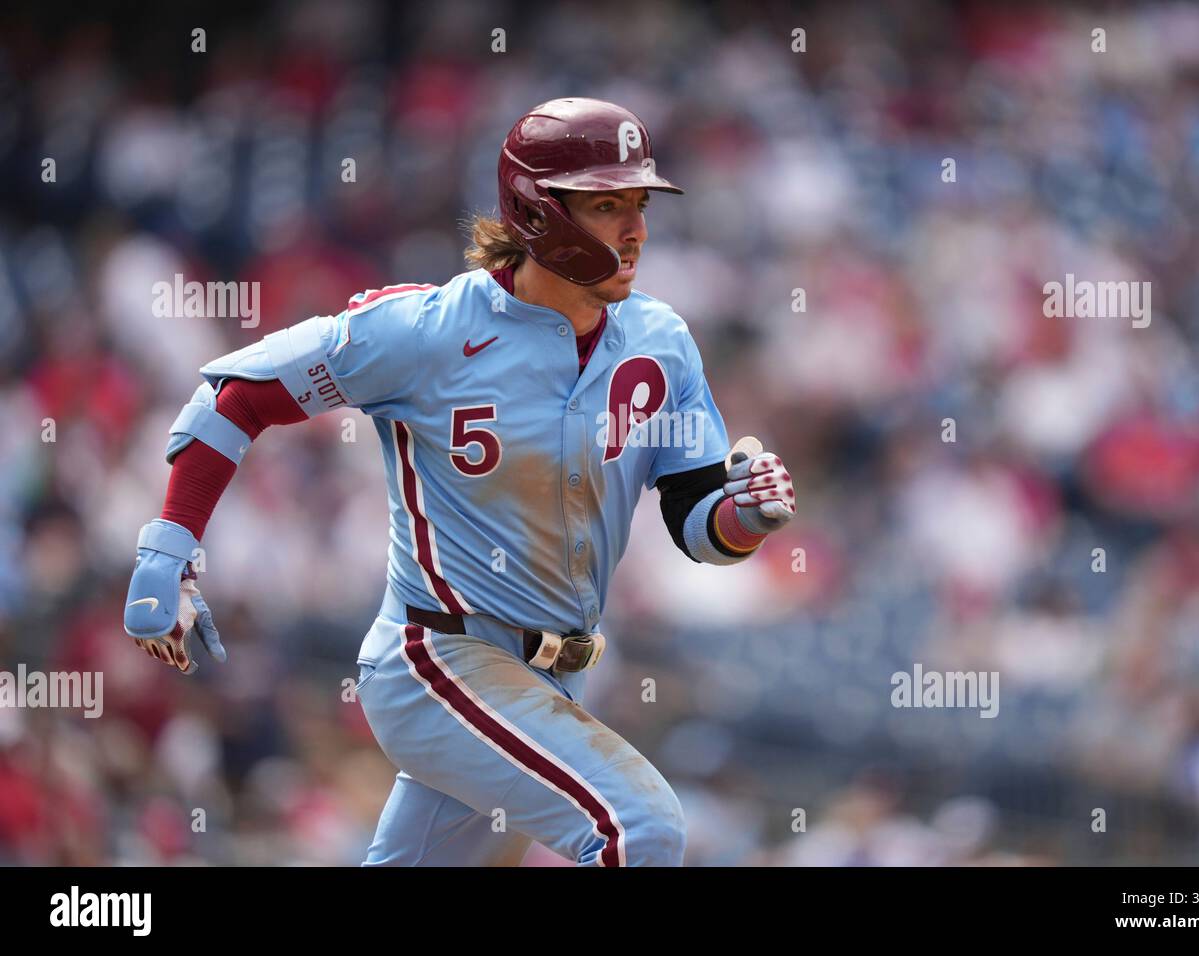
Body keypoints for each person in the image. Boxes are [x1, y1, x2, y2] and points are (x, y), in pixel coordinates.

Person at [123, 97, 798, 866]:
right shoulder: (426, 330)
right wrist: (167, 550)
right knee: (638, 827)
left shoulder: (660, 341)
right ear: (537, 212)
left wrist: (745, 515)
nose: (637, 227)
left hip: (550, 682)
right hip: (436, 661)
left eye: (639, 203)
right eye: (609, 204)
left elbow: (696, 522)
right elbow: (234, 395)